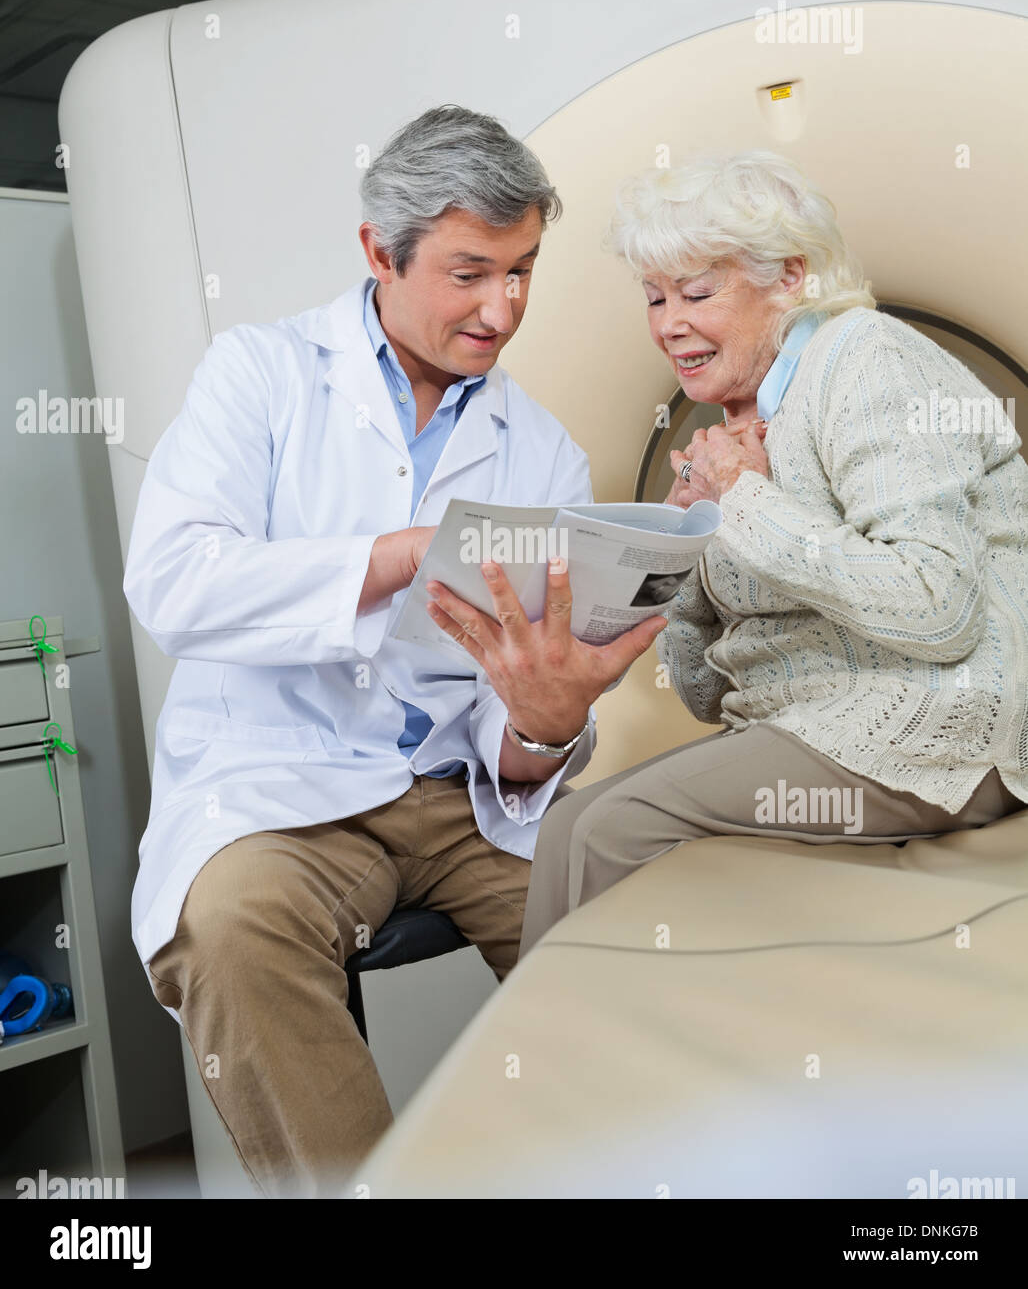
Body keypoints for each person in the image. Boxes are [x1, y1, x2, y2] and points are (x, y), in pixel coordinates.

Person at [123, 105, 666, 1198]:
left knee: (632, 918)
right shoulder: (260, 376)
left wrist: (544, 722)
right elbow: (172, 583)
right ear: (380, 250)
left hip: (462, 797)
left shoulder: (541, 451)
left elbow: (511, 733)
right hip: (283, 790)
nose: (500, 308)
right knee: (229, 929)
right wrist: (390, 558)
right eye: (471, 272)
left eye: (521, 273)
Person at [516, 148, 1028, 956]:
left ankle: (560, 1077)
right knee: (569, 821)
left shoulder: (866, 359)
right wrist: (678, 552)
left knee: (610, 830)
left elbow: (943, 609)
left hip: (945, 727)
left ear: (789, 277)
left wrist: (749, 505)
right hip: (810, 731)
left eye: (696, 291)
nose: (667, 322)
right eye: (653, 297)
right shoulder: (724, 434)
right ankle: (587, 1070)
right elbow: (705, 695)